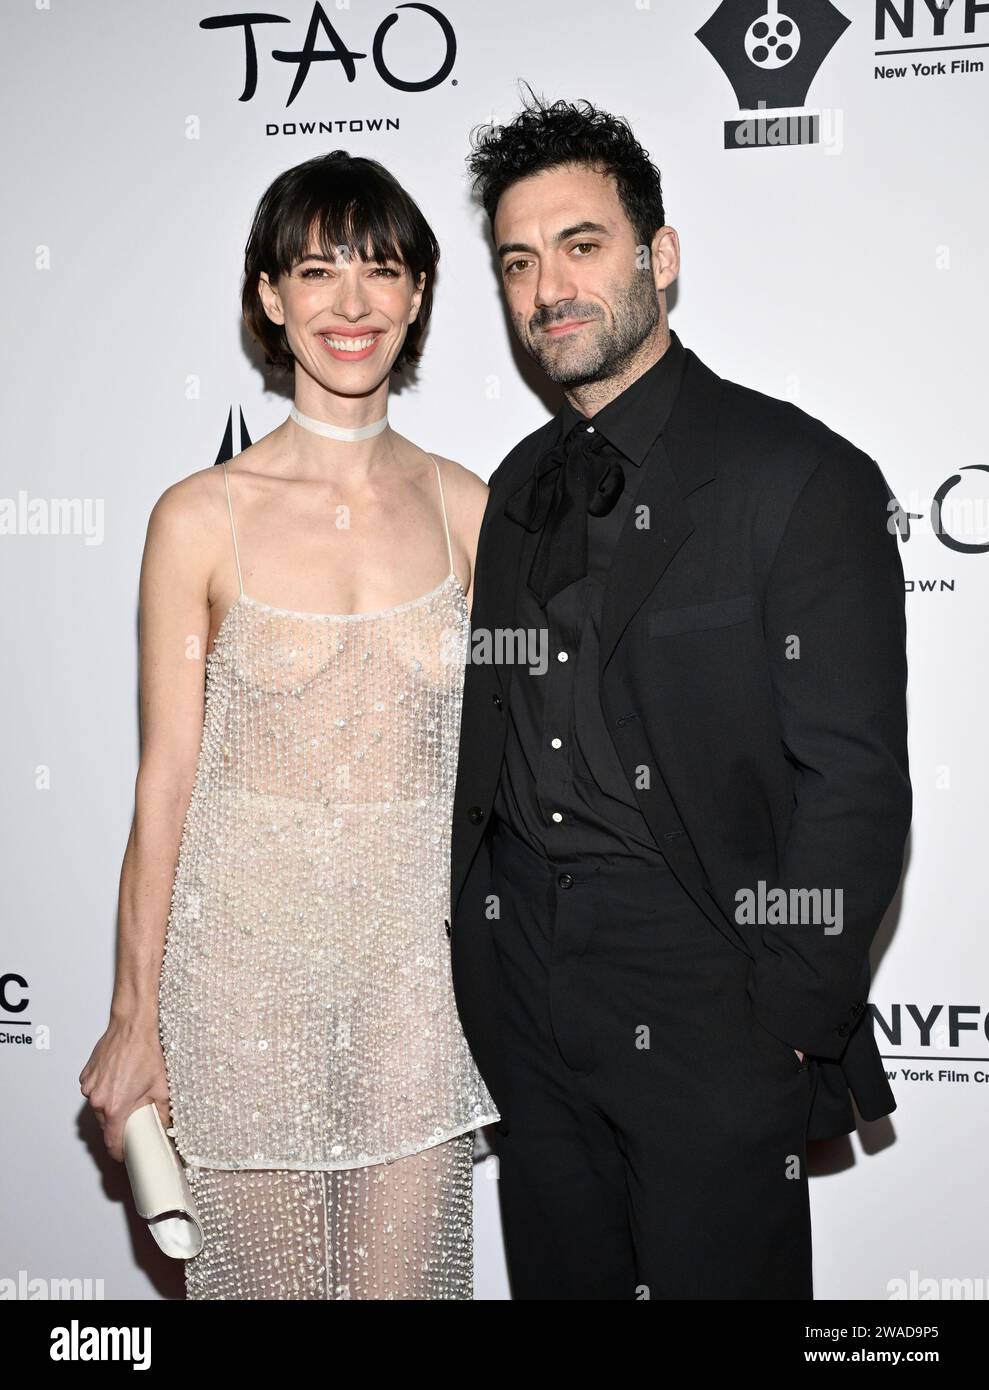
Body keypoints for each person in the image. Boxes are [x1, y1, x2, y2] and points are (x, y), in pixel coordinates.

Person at [448, 91, 911, 1299]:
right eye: (518, 259)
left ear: (658, 258)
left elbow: (853, 779)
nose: (547, 285)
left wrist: (787, 1011)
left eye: (581, 245)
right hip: (527, 987)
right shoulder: (515, 486)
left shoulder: (794, 475)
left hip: (705, 980)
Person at [79, 150, 498, 1300]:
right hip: (239, 980)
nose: (349, 303)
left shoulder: (472, 510)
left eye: (380, 270)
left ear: (417, 293)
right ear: (270, 296)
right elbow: (165, 780)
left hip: (419, 981)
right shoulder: (200, 517)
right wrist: (133, 1015)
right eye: (316, 271)